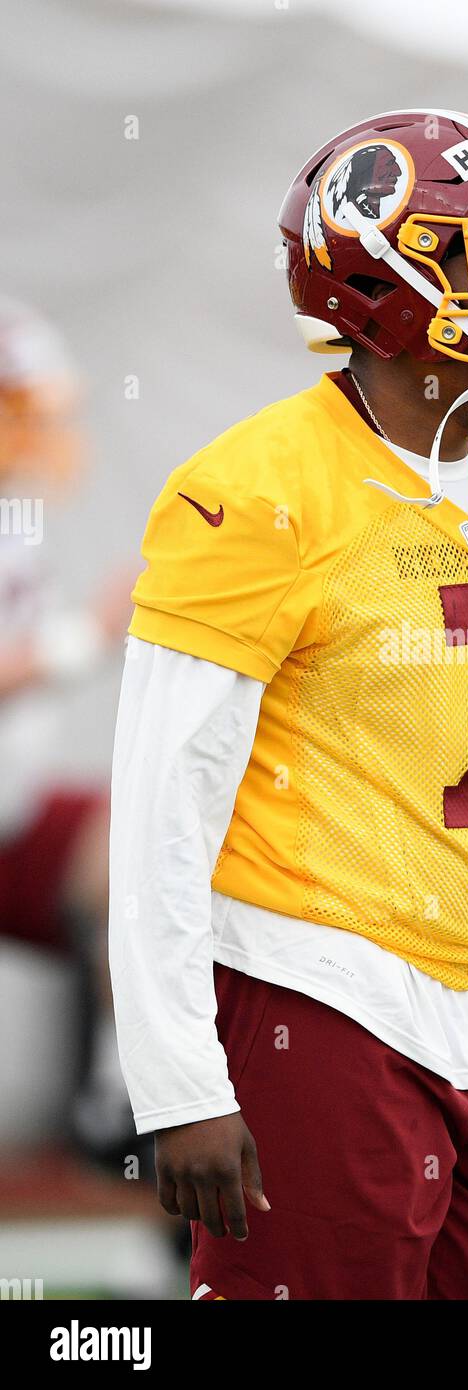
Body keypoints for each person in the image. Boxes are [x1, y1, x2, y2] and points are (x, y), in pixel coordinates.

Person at [109, 109, 468, 1301]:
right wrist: (181, 1080)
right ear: (381, 280)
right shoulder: (257, 490)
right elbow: (161, 805)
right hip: (310, 993)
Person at [0, 294, 135, 1157]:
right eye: (24, 412)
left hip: (12, 820)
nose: (43, 434)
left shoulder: (18, 521)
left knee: (152, 835)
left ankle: (126, 1096)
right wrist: (90, 635)